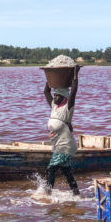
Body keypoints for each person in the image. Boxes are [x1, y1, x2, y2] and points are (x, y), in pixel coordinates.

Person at [43, 65, 81, 194]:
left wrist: (75, 75)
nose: (54, 97)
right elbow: (46, 92)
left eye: (57, 96)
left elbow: (74, 91)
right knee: (66, 171)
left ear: (64, 97)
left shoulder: (67, 107)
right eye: (54, 95)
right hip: (59, 143)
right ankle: (76, 193)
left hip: (64, 145)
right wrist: (50, 77)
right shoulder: (54, 106)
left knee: (51, 169)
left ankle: (48, 194)